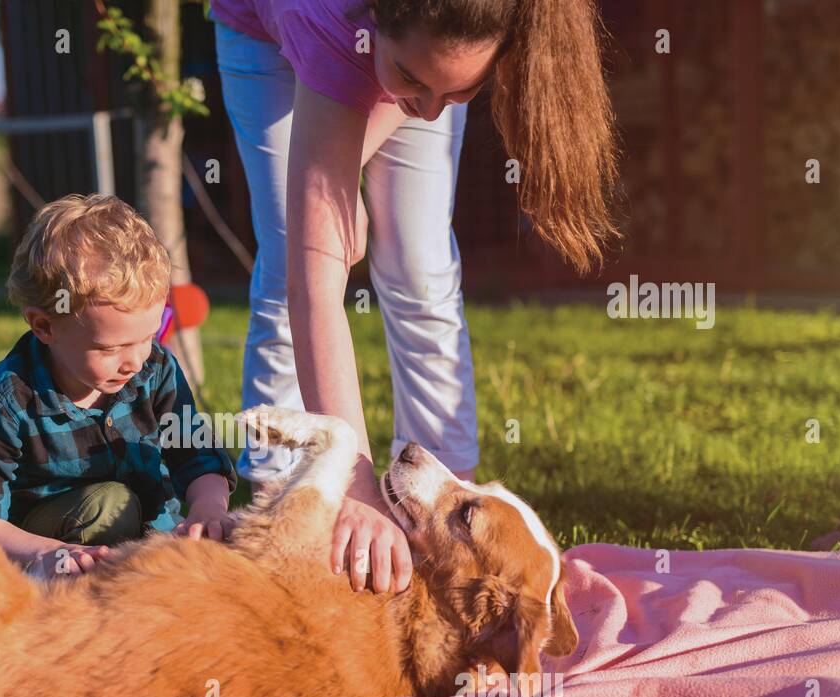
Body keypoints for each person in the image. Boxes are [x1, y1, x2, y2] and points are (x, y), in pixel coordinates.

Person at [211, 0, 620, 593]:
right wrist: (349, 481)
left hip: (405, 48)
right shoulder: (327, 22)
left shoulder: (443, 51)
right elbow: (315, 289)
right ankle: (285, 511)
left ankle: (447, 517)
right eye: (414, 83)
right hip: (269, 38)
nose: (430, 114)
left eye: (457, 96)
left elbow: (425, 87)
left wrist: (352, 154)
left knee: (420, 269)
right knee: (287, 264)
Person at [0, 194, 237, 579]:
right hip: (41, 553)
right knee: (112, 504)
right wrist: (49, 554)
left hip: (151, 540)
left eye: (149, 335)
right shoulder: (3, 402)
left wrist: (208, 511)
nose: (134, 360)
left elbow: (196, 455)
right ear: (44, 326)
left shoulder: (156, 370)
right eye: (111, 348)